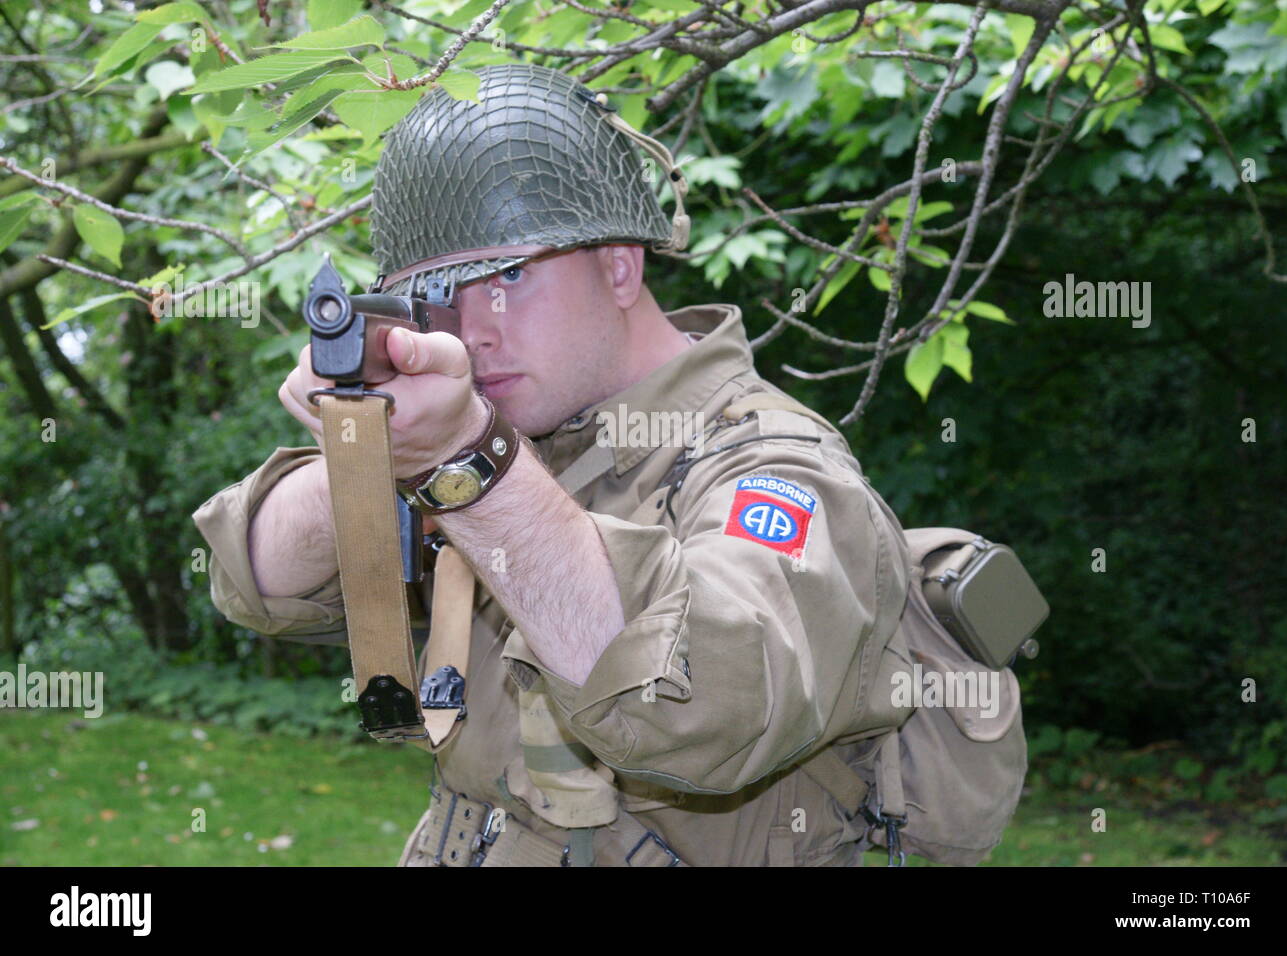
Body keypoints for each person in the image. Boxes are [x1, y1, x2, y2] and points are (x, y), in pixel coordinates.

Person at [192, 62, 912, 867]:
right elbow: (255, 578)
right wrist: (367, 441)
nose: (474, 328)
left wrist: (467, 459)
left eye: (505, 276)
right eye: (437, 295)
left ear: (618, 264)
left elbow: (702, 703)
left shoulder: (774, 463)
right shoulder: (523, 443)